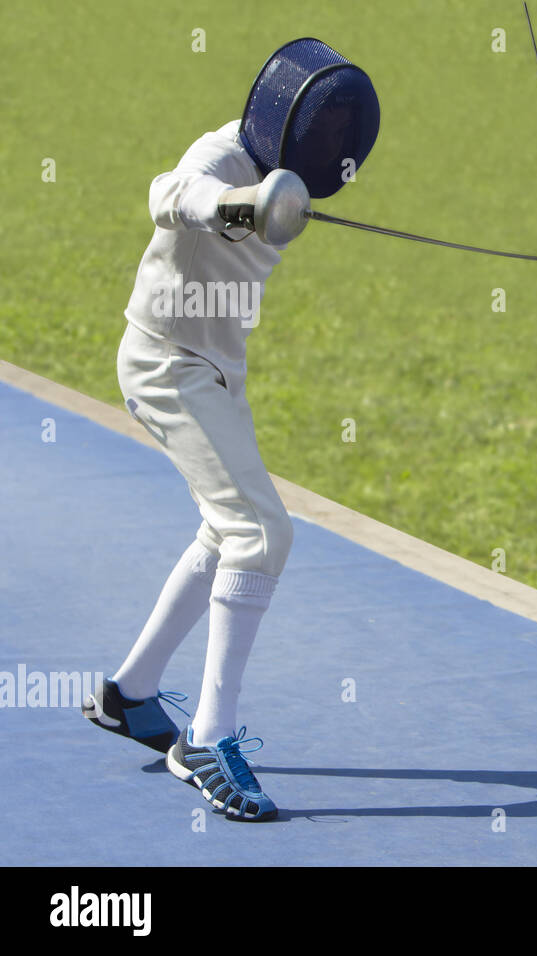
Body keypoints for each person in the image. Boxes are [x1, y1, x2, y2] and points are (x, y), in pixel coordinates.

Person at [83, 38, 380, 821]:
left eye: (339, 140)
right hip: (166, 365)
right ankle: (208, 739)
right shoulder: (216, 158)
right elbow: (163, 194)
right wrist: (233, 206)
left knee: (227, 532)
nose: (330, 150)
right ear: (284, 118)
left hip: (213, 368)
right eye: (321, 132)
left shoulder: (287, 177)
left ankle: (130, 693)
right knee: (262, 534)